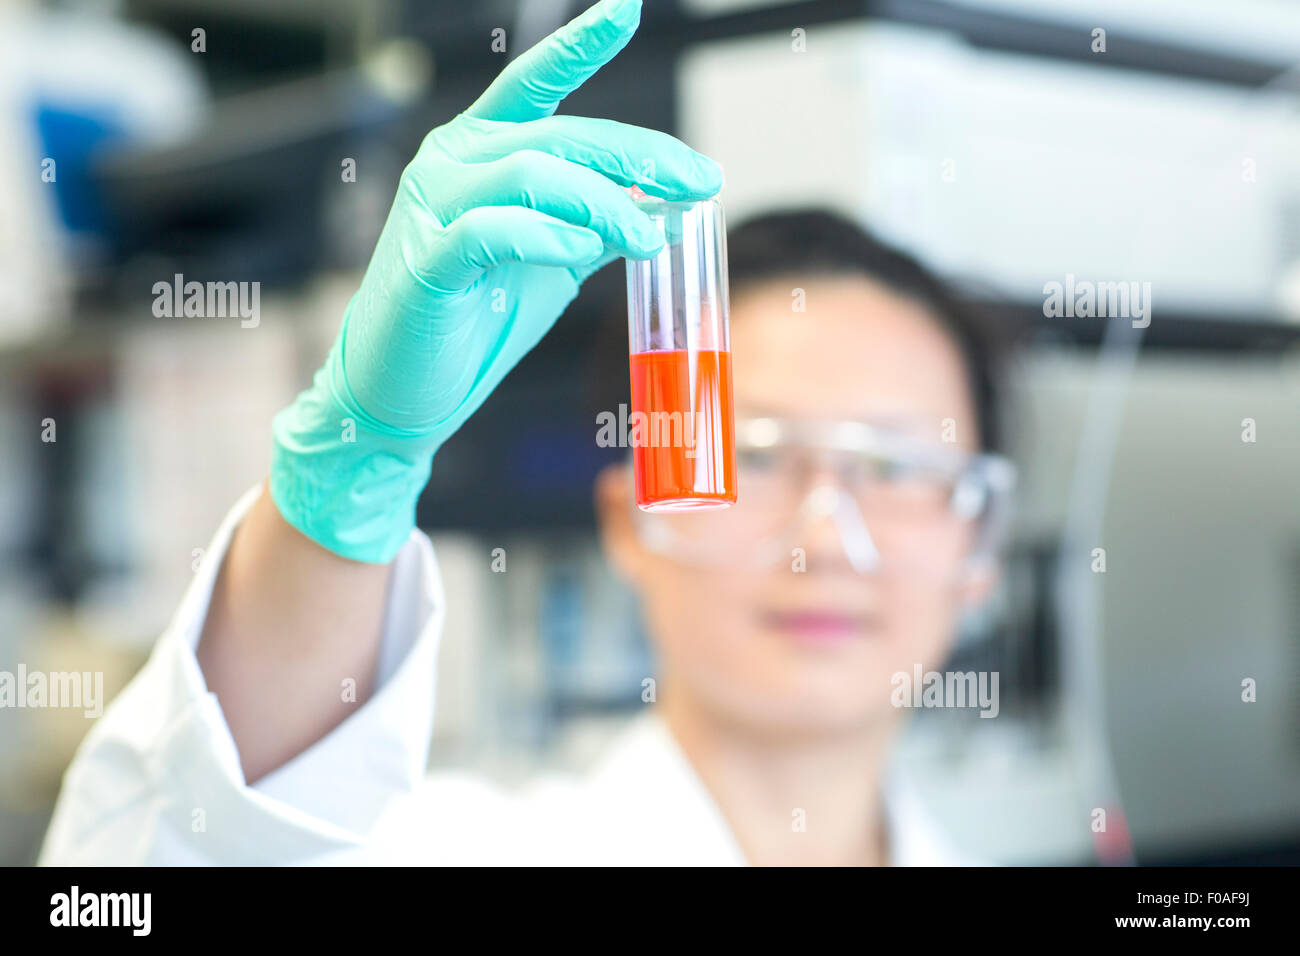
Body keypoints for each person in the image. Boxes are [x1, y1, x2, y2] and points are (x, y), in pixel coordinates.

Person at [40, 0, 1014, 866]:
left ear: (980, 543)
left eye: (895, 462)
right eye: (753, 452)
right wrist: (354, 464)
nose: (821, 536)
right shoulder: (454, 847)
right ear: (630, 518)